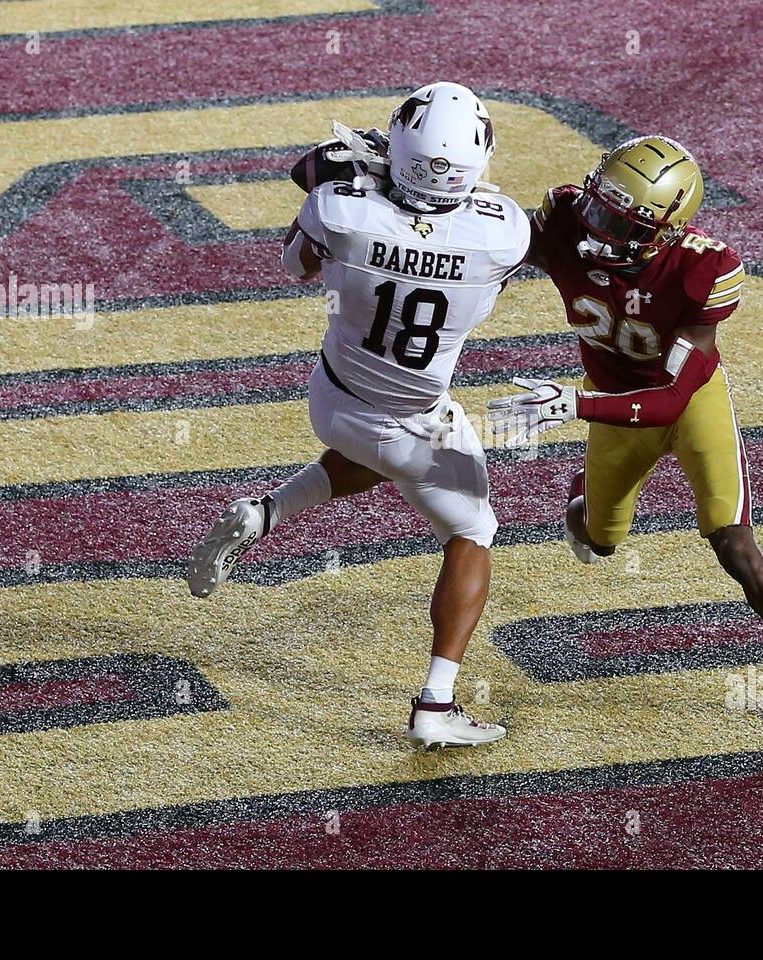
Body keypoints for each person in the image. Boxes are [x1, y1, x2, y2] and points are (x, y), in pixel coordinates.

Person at [186, 82, 530, 749]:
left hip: (334, 397)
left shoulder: (339, 212)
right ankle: (436, 703)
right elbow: (489, 245)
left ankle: (265, 513)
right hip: (415, 414)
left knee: (384, 453)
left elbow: (295, 259)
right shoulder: (503, 233)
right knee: (475, 528)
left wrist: (364, 173)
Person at [486, 135, 763, 737]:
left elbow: (669, 401)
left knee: (735, 547)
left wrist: (574, 404)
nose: (594, 228)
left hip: (683, 404)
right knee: (599, 542)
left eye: (616, 222)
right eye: (598, 207)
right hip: (609, 401)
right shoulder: (564, 217)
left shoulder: (703, 268)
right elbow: (489, 246)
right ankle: (585, 498)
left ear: (663, 231)